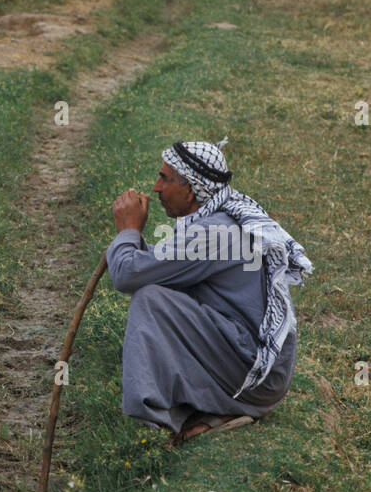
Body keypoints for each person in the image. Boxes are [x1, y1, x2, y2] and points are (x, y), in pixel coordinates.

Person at [108, 139, 312, 445]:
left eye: (165, 179)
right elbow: (164, 265)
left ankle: (153, 419)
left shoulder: (211, 233)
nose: (156, 188)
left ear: (190, 189)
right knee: (162, 295)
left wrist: (128, 231)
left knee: (150, 300)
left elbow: (126, 275)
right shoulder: (221, 219)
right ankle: (212, 409)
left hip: (254, 375)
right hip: (260, 369)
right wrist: (131, 242)